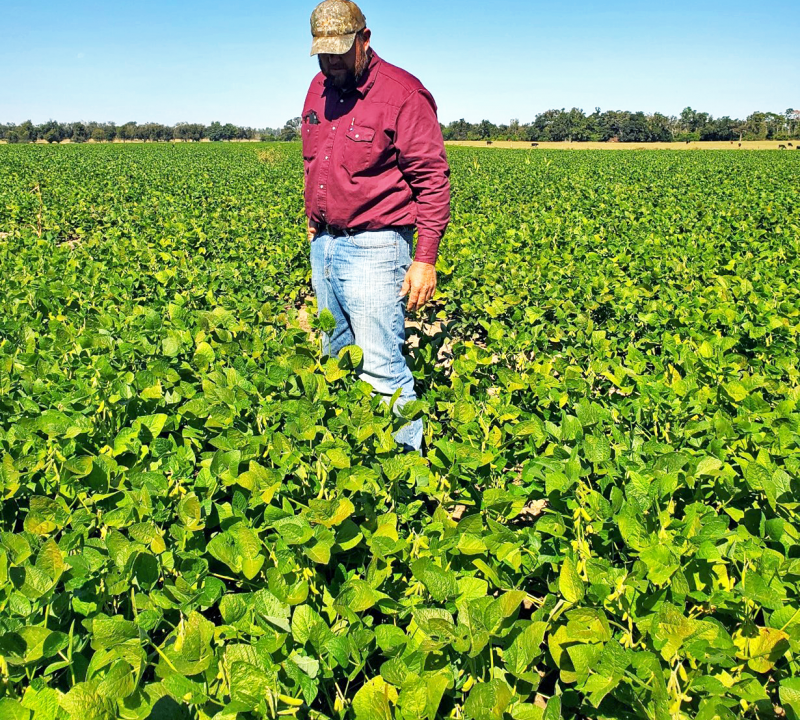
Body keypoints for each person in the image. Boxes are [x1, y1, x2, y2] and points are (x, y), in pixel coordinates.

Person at [302, 0, 451, 452]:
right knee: (335, 357)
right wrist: (314, 221)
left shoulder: (403, 94)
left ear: (365, 39)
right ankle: (355, 458)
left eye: (340, 52)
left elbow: (432, 180)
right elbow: (316, 158)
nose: (331, 63)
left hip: (377, 247)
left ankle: (407, 479)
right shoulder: (317, 87)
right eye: (323, 54)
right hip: (325, 243)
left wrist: (424, 260)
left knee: (381, 368)